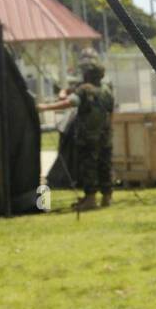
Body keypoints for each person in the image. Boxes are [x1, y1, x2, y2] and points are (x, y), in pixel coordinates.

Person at [39, 49, 113, 209]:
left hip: (88, 137)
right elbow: (111, 111)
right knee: (104, 166)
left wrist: (45, 107)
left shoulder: (84, 90)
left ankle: (90, 199)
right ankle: (107, 198)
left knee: (89, 168)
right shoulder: (107, 90)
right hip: (105, 137)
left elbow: (69, 102)